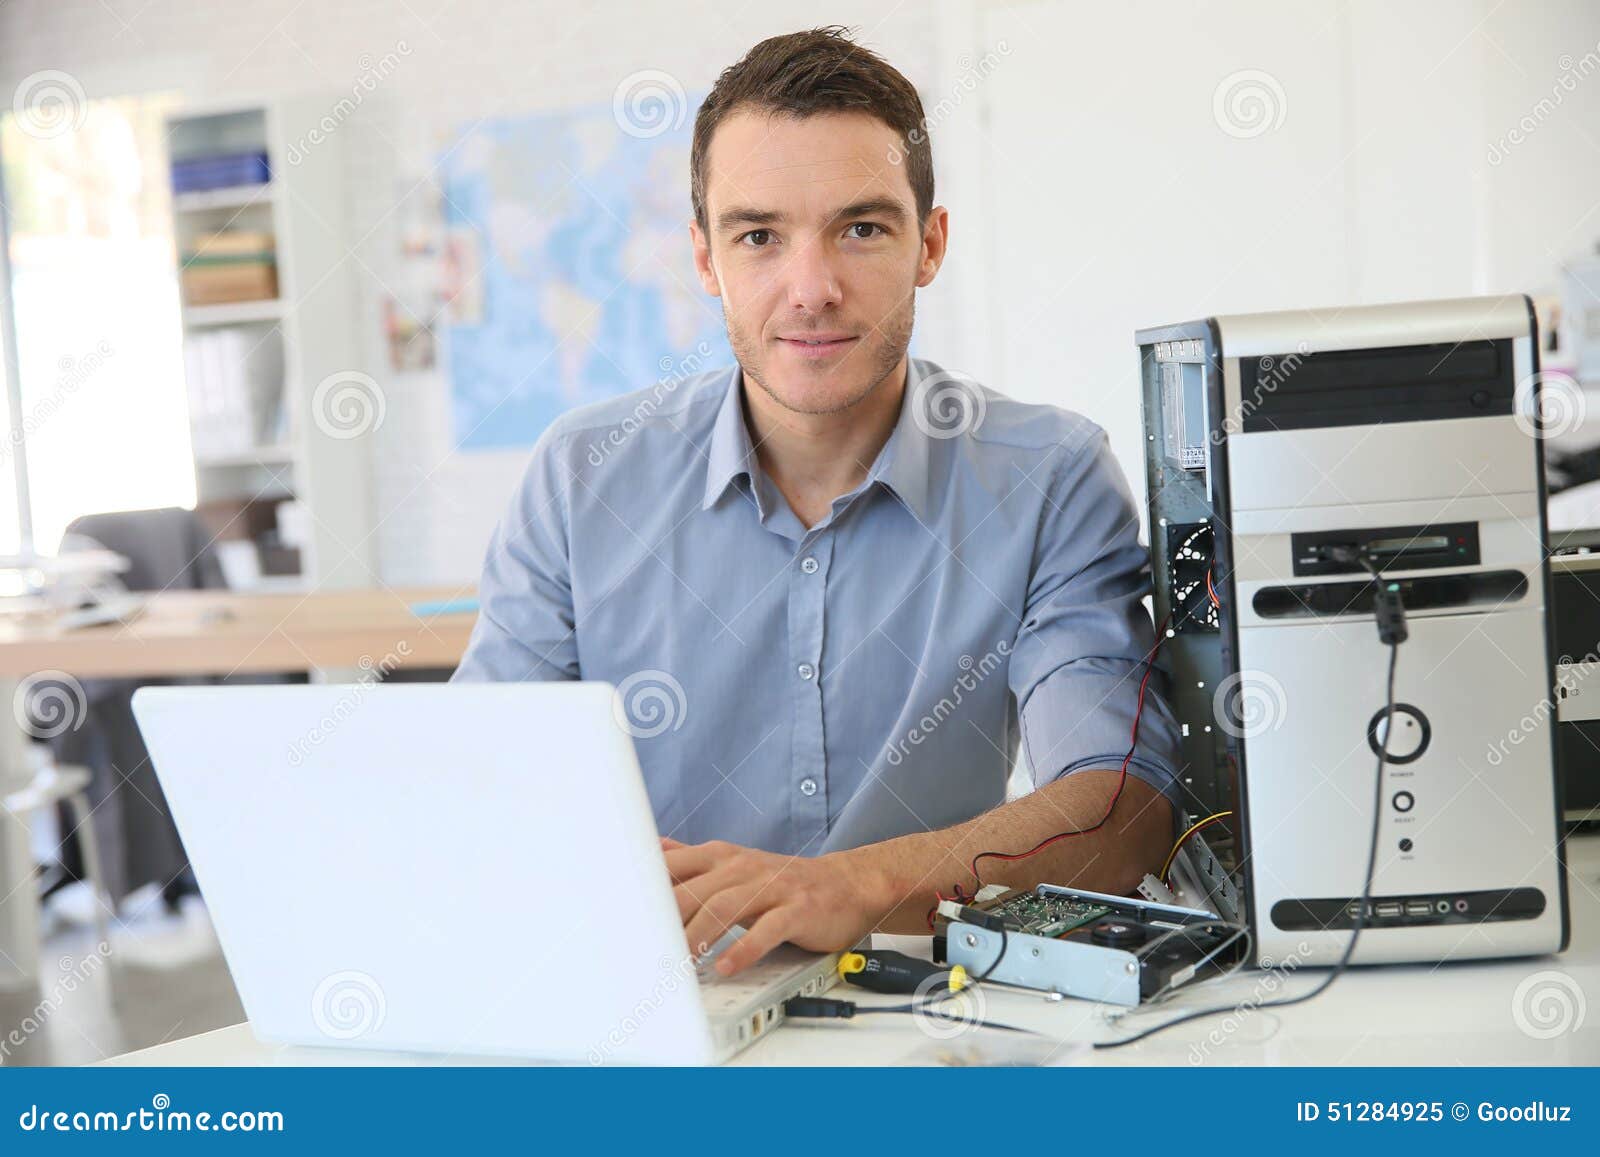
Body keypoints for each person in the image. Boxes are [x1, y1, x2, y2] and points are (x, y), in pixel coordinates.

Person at [455, 26, 1181, 976]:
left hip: (924, 1012)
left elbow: (1121, 807)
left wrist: (852, 886)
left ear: (931, 243)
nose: (813, 289)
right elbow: (473, 791)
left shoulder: (1048, 477)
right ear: (706, 260)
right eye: (759, 236)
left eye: (862, 228)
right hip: (654, 1008)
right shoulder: (582, 475)